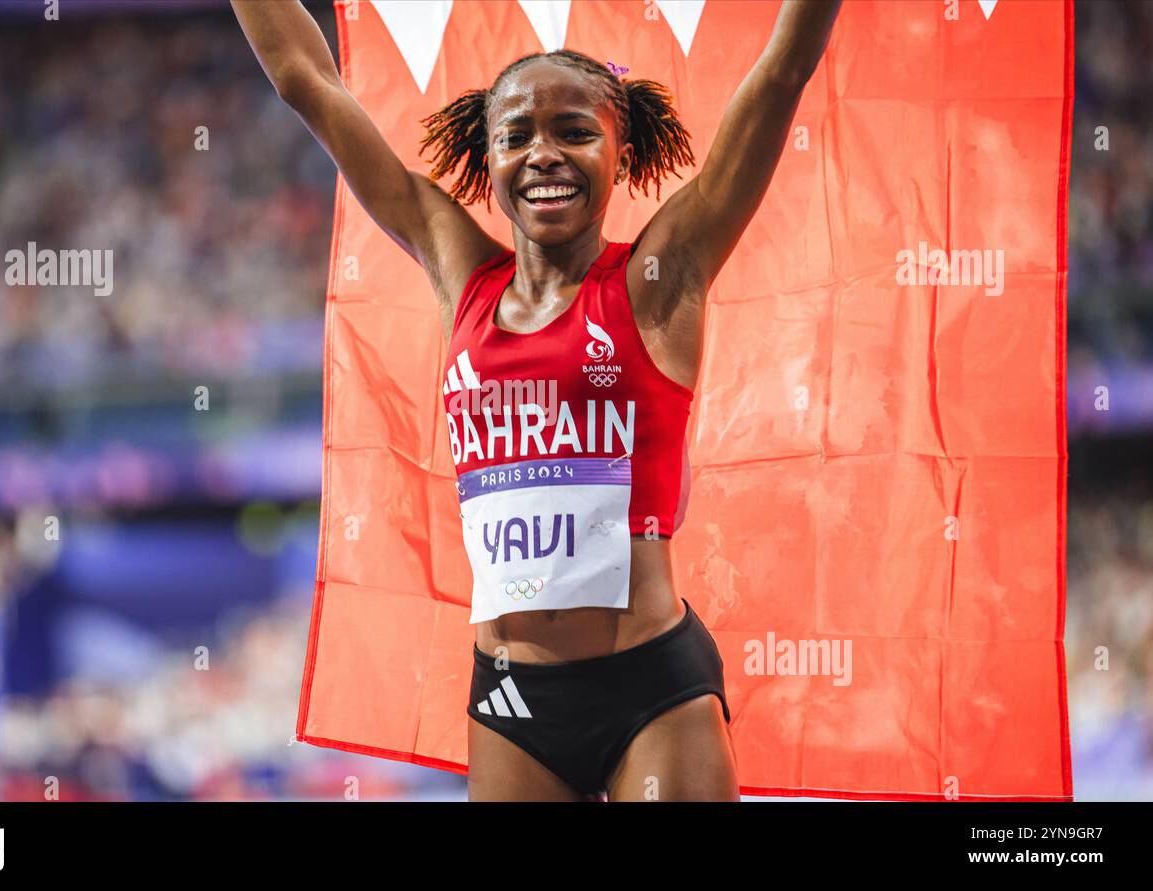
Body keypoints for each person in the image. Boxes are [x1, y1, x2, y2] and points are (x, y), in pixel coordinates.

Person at [232, 0, 840, 802]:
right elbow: (306, 81)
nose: (543, 153)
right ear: (489, 158)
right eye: (517, 135)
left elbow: (782, 73)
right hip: (512, 700)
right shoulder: (459, 272)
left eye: (575, 131)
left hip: (651, 690)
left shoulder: (662, 276)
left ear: (620, 153)